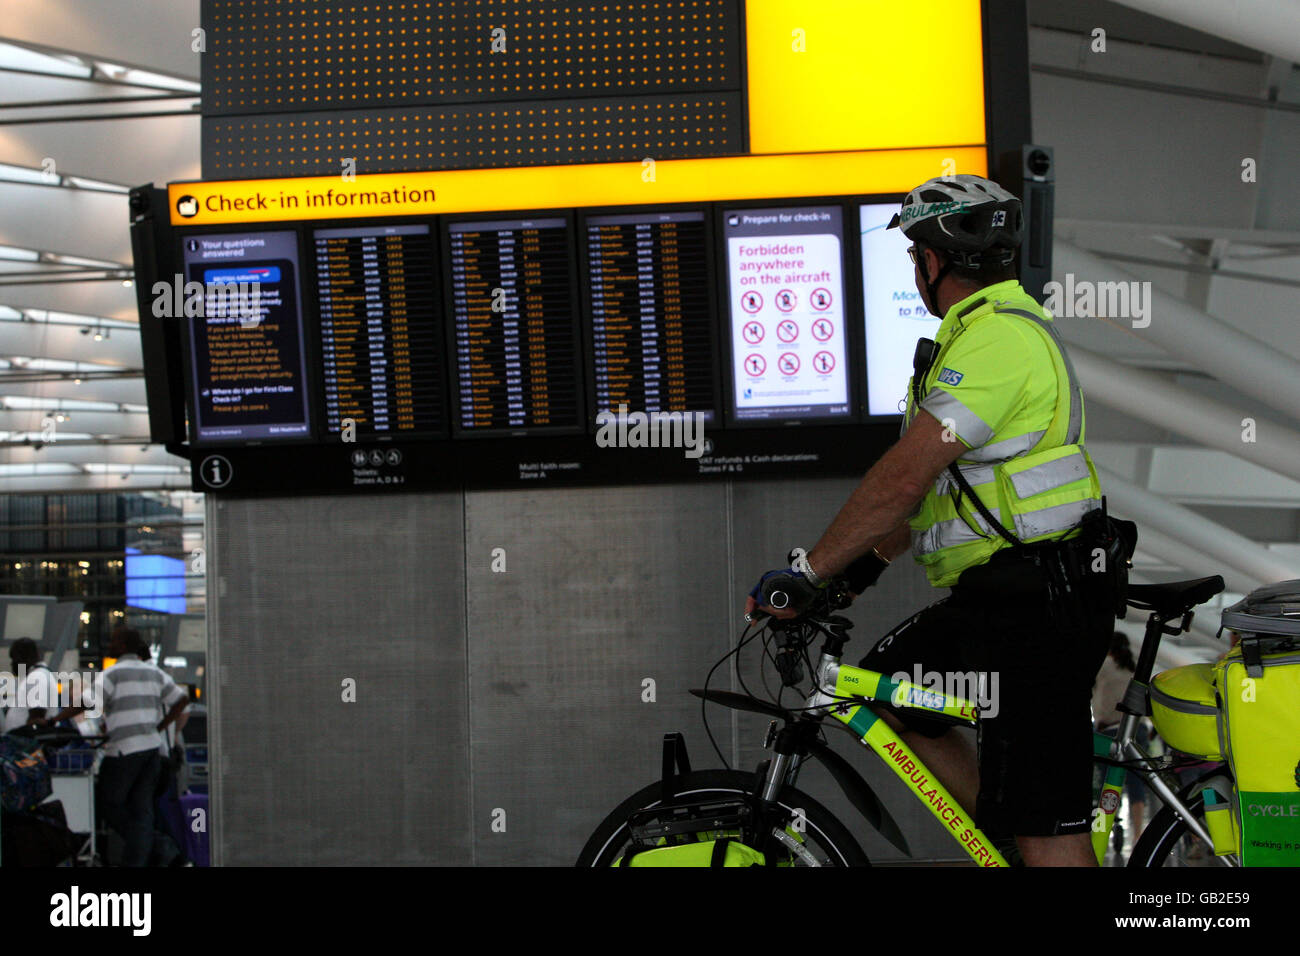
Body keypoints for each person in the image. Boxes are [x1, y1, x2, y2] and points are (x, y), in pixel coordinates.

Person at [746, 174, 1117, 867]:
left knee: (1050, 831)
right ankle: (1006, 845)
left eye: (914, 257)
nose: (915, 269)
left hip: (1041, 606)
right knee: (895, 691)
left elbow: (903, 476)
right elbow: (934, 497)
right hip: (1001, 600)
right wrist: (855, 572)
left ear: (933, 262)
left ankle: (1030, 847)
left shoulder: (1000, 339)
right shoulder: (973, 339)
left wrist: (806, 574)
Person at [42, 625, 189, 866]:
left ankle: (160, 847)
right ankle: (146, 857)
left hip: (124, 751)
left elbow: (87, 704)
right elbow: (181, 700)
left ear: (122, 645)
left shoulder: (113, 673)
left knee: (108, 803)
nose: (110, 643)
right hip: (151, 751)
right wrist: (159, 727)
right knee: (142, 811)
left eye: (114, 640)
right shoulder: (153, 672)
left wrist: (53, 720)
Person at [1091, 632, 1148, 845]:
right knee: (1136, 783)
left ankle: (1107, 828)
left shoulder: (1103, 666)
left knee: (1109, 785)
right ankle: (1138, 832)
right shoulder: (1134, 670)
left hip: (1110, 731)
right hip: (1136, 730)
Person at [2, 637, 60, 733]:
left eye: (14, 659)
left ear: (25, 657)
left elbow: (37, 719)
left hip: (27, 743)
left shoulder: (37, 677)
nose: (12, 664)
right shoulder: (38, 675)